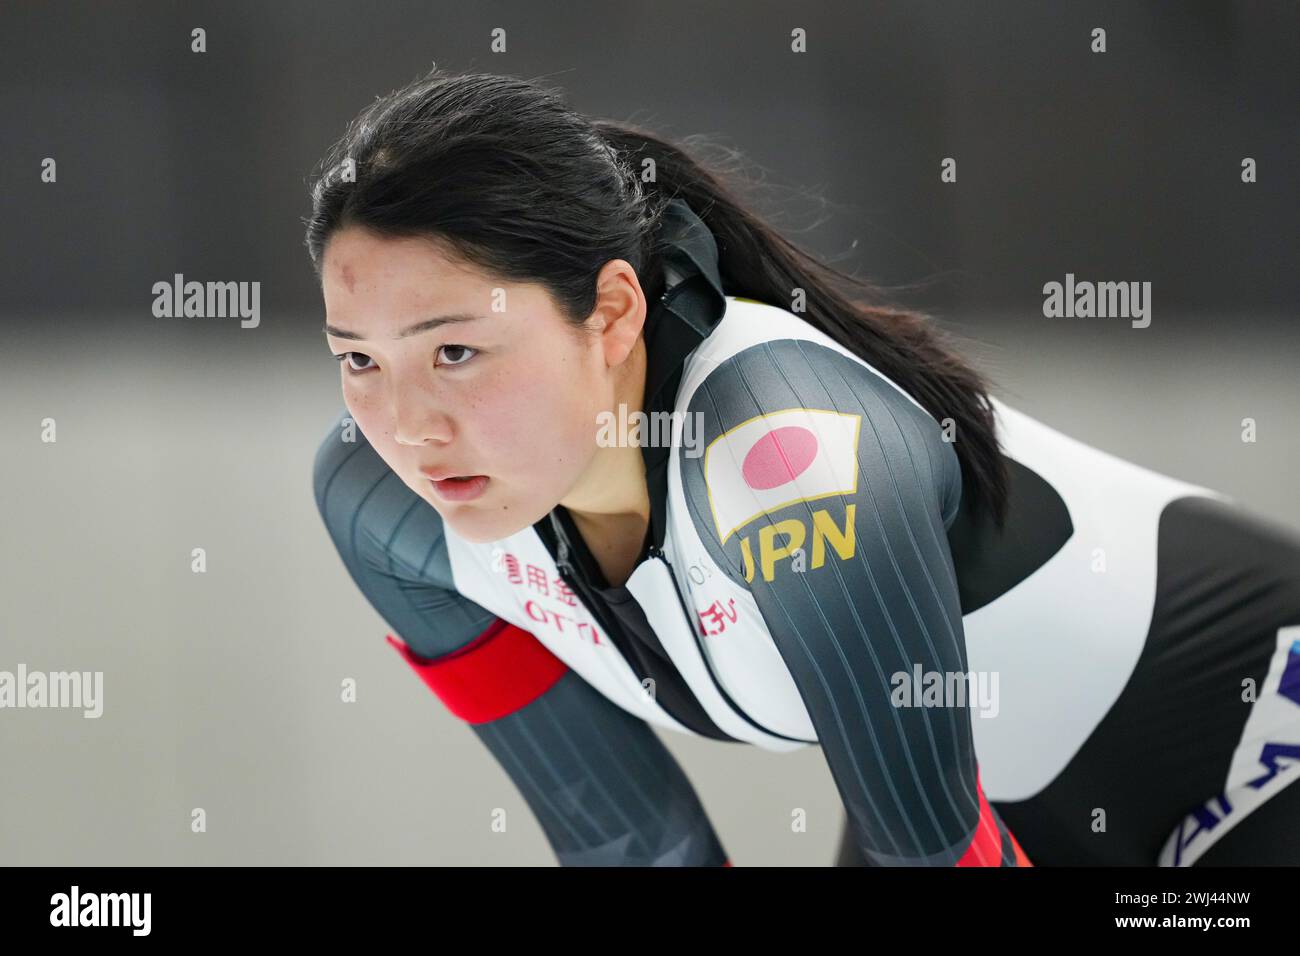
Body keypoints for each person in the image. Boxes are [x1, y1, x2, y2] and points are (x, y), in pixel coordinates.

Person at [305, 69, 1300, 866]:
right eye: (359, 359)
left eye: (454, 351)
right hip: (999, 802)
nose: (408, 428)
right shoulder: (381, 509)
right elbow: (632, 844)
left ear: (609, 312)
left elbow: (927, 845)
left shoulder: (792, 463)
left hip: (1260, 740)